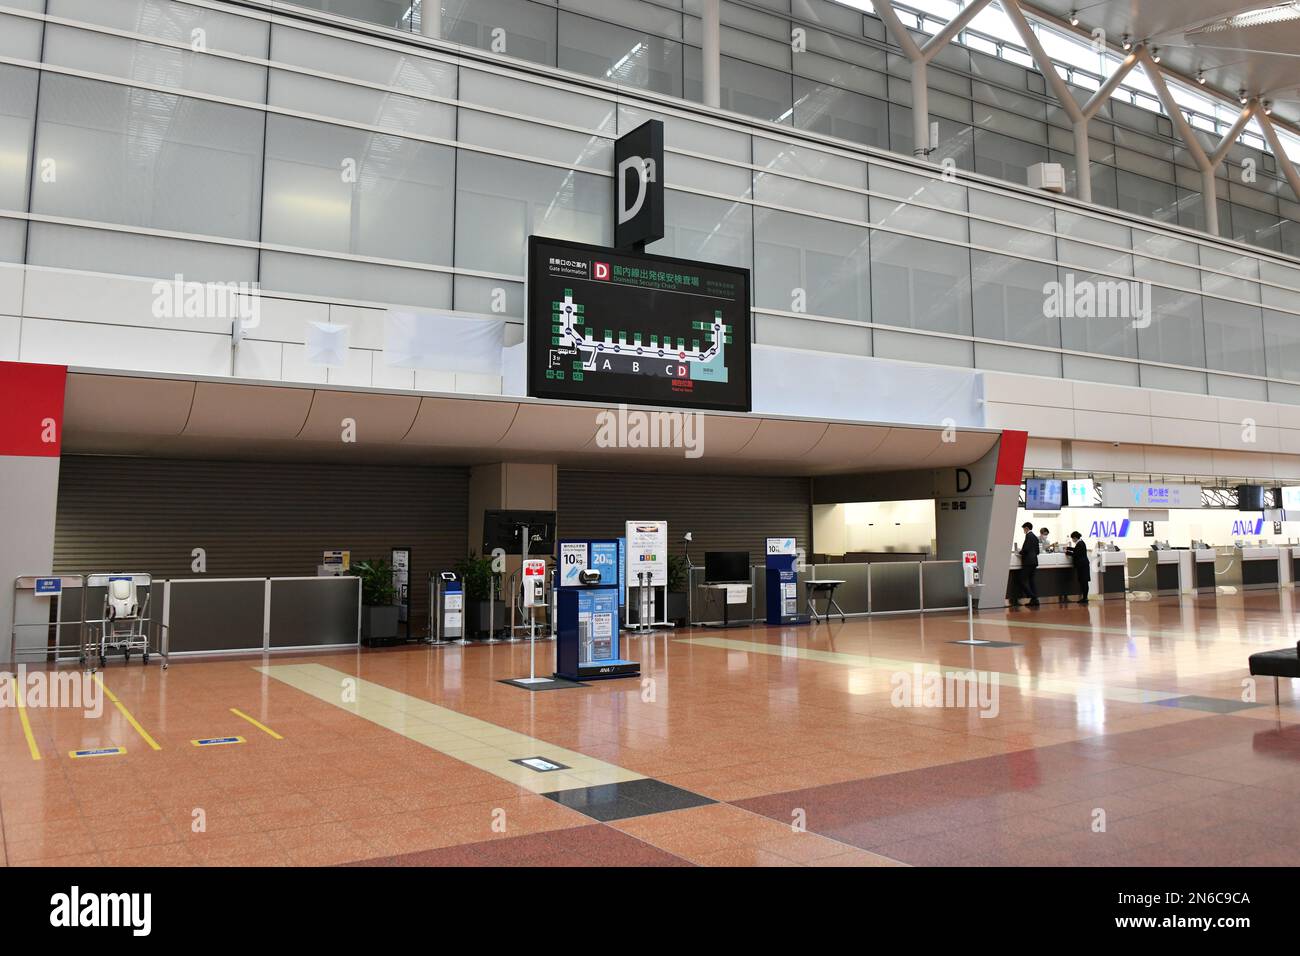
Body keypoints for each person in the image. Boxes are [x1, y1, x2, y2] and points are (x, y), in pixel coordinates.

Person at [1017, 521, 1040, 607]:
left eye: (1024, 529)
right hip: (1034, 561)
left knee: (1021, 580)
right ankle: (1034, 600)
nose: (1024, 531)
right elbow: (1037, 551)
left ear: (1026, 528)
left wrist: (1020, 552)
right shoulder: (1035, 537)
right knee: (1031, 581)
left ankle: (1033, 597)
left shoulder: (1028, 536)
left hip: (1028, 562)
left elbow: (1026, 549)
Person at [1067, 531, 1090, 604]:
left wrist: (1067, 552)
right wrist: (1069, 548)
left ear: (1075, 537)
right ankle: (1085, 597)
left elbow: (1076, 554)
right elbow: (1076, 550)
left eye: (1073, 538)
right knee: (1084, 582)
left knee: (1084, 582)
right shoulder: (1080, 543)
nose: (1073, 540)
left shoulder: (1080, 544)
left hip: (1082, 566)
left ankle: (1085, 598)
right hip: (1083, 565)